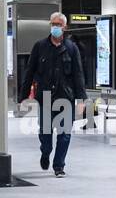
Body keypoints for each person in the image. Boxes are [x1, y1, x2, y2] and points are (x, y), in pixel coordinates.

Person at [18, 11, 86, 178]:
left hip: (66, 97)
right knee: (45, 133)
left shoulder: (71, 48)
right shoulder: (40, 46)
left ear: (65, 27)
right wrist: (23, 97)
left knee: (65, 134)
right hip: (46, 97)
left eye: (59, 25)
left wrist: (81, 99)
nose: (56, 27)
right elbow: (29, 72)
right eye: (53, 24)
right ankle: (45, 152)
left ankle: (59, 166)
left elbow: (78, 74)